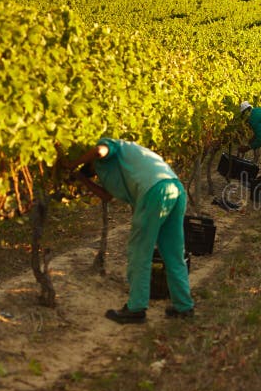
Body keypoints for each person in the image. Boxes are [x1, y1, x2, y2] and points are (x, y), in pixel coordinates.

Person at [71, 138, 195, 324]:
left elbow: (99, 151)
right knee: (173, 253)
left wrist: (71, 164)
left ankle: (136, 308)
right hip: (174, 188)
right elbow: (106, 196)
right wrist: (80, 177)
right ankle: (184, 306)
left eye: (92, 170)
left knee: (139, 252)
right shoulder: (124, 162)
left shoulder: (111, 145)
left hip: (155, 192)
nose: (97, 174)